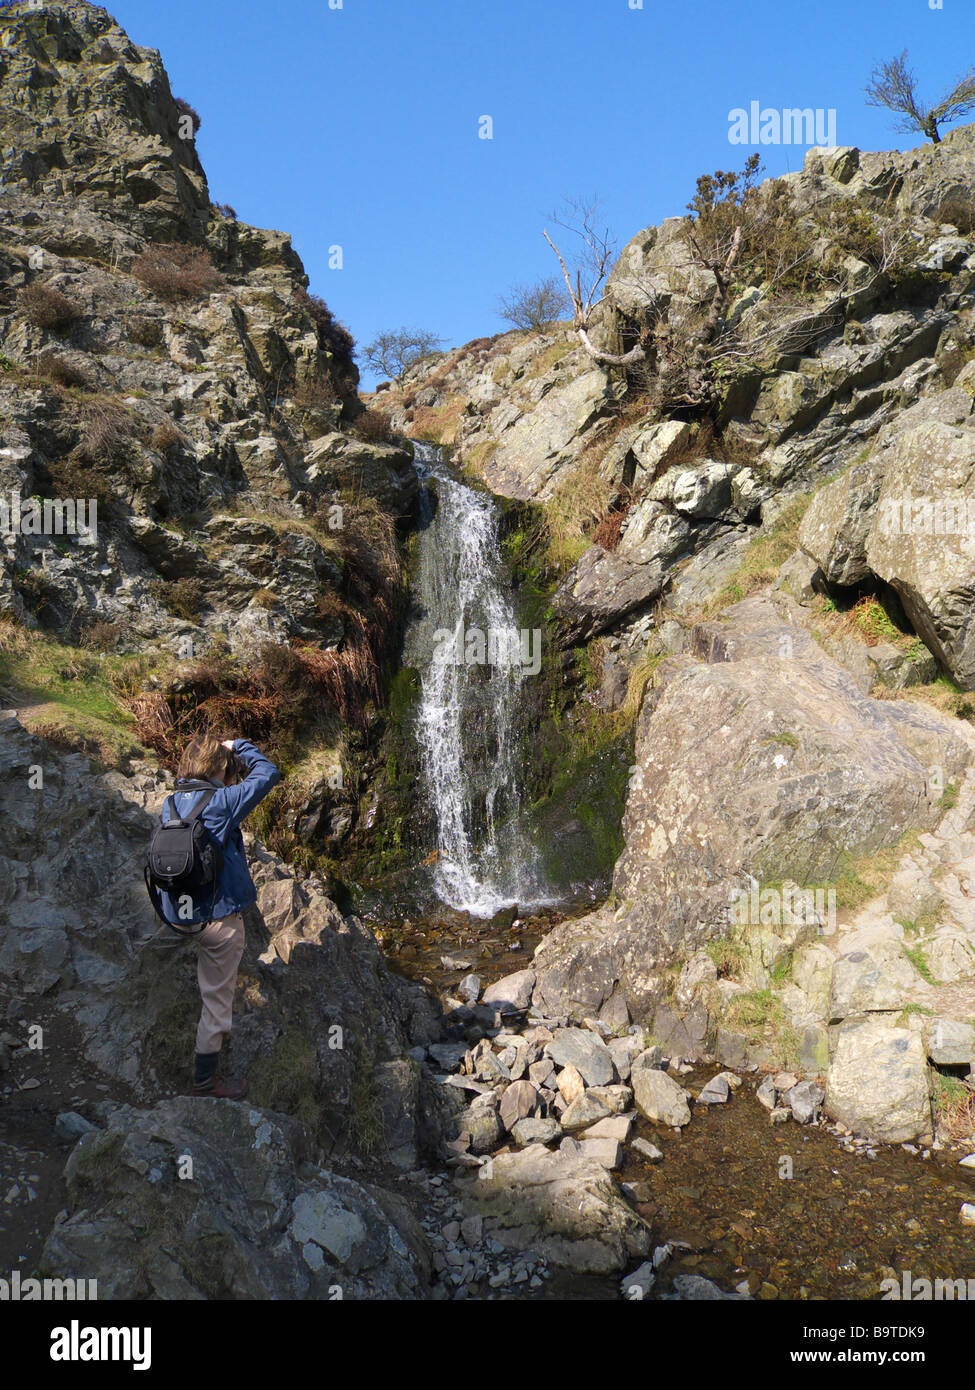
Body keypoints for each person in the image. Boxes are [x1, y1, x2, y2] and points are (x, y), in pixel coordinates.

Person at [157, 735, 280, 1098]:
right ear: (220, 768)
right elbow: (268, 773)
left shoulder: (171, 804)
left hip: (175, 915)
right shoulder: (223, 801)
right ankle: (206, 1083)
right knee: (216, 1001)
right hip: (217, 920)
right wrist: (238, 745)